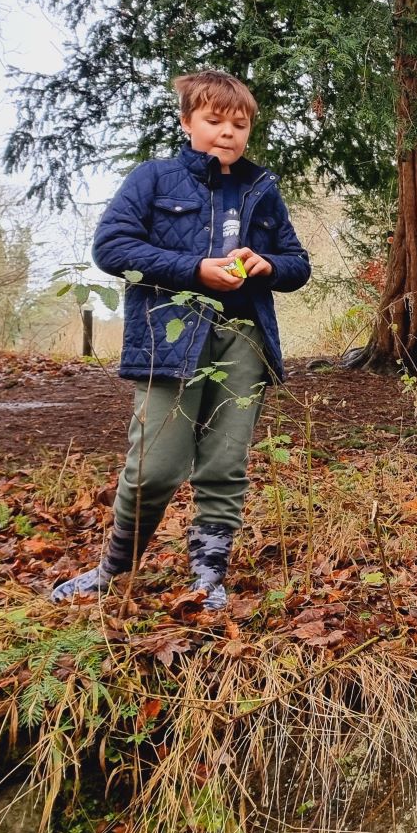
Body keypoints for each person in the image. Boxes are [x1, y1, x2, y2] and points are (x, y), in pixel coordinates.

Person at [50, 69, 311, 610]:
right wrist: (195, 269)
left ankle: (208, 579)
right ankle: (112, 571)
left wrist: (268, 265)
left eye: (238, 124)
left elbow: (297, 263)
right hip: (169, 339)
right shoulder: (153, 179)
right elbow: (114, 248)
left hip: (244, 340)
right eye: (214, 121)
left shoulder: (262, 190)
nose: (227, 133)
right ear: (187, 121)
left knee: (223, 465)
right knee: (156, 467)